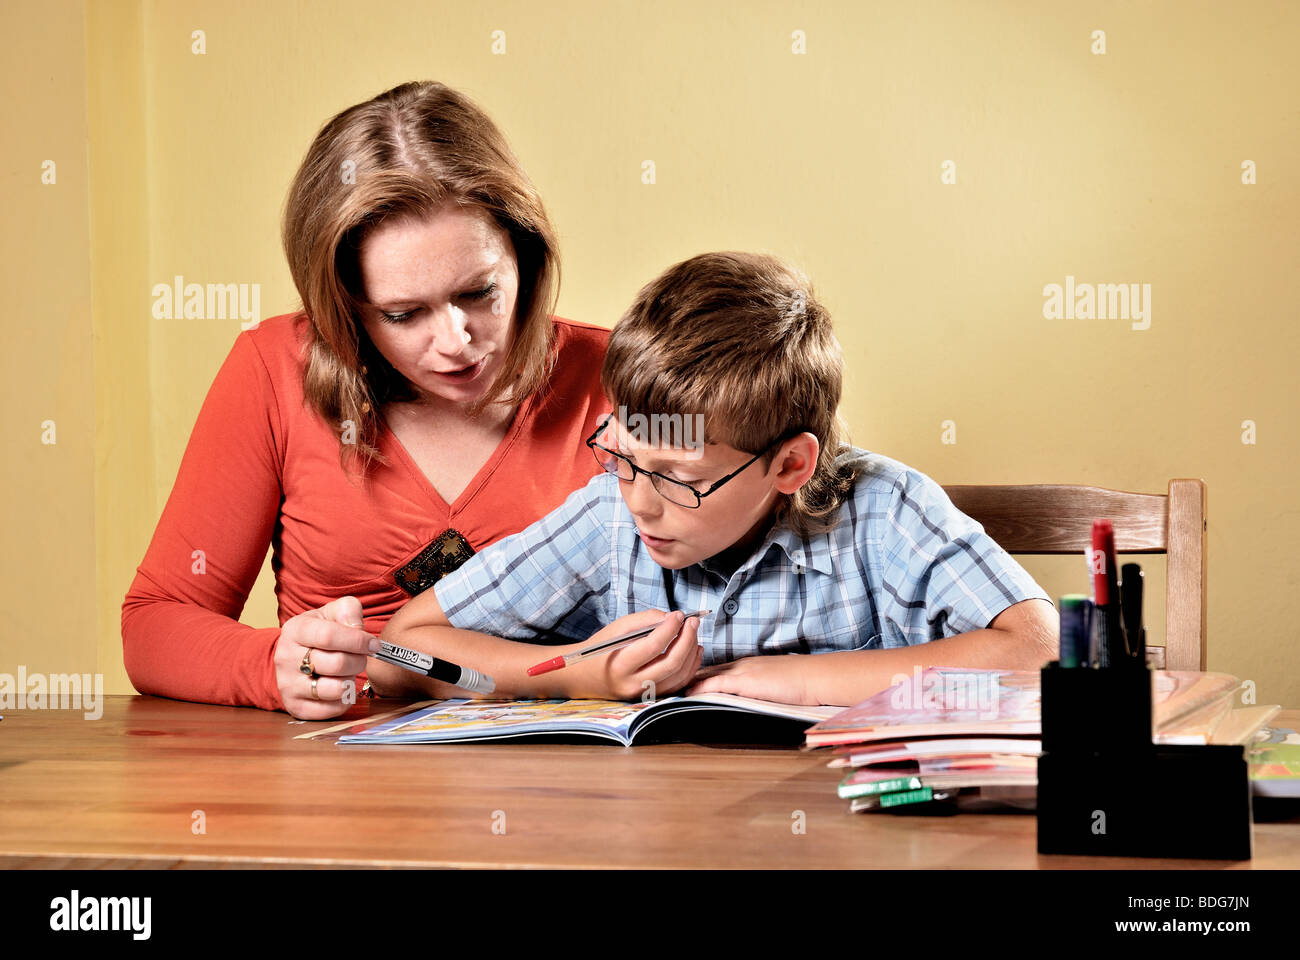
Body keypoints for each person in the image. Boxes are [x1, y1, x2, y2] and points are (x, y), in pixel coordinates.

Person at [121, 81, 610, 719]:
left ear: (524, 253)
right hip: (345, 779)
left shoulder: (614, 378)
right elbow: (155, 626)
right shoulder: (273, 370)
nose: (457, 342)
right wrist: (272, 666)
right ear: (345, 310)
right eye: (404, 314)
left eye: (480, 292)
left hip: (568, 774)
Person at [380, 251, 1058, 706]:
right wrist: (582, 671)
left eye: (680, 478)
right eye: (622, 456)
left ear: (790, 465)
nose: (640, 502)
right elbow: (406, 646)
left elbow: (1039, 648)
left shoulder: (881, 510)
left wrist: (784, 680)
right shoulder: (609, 519)